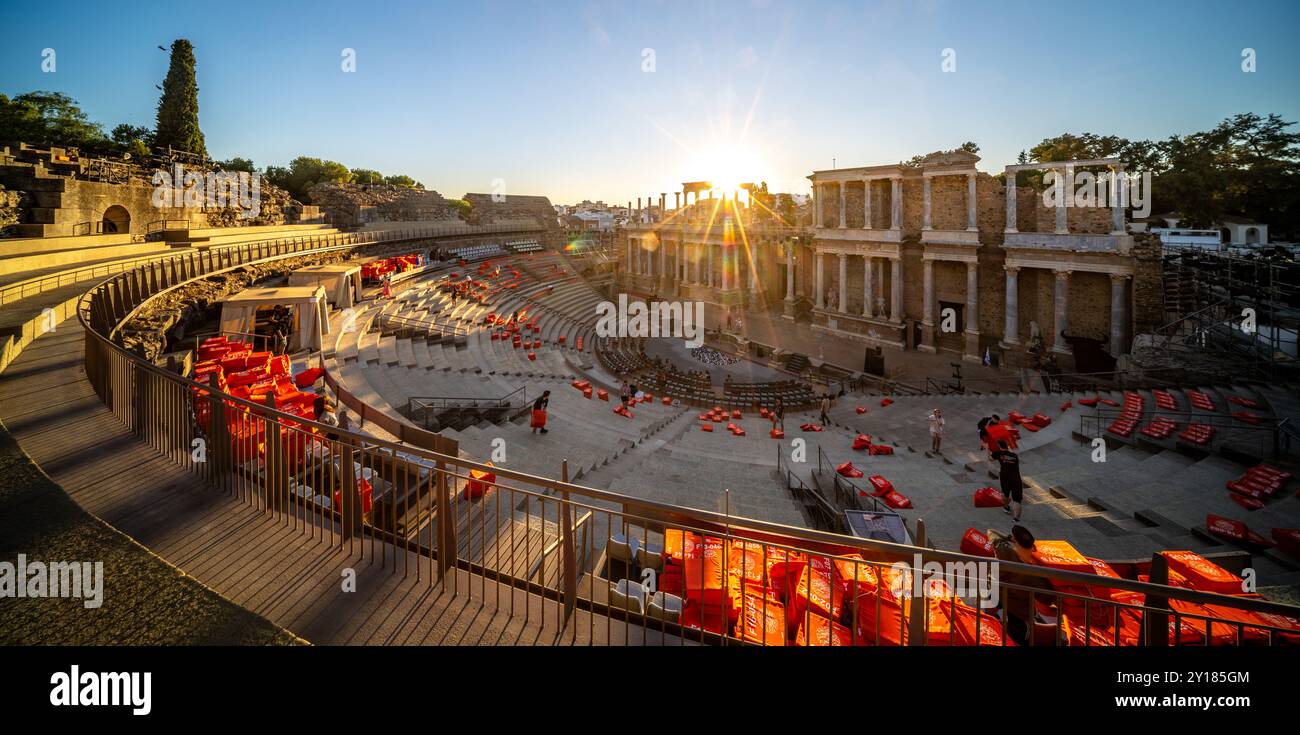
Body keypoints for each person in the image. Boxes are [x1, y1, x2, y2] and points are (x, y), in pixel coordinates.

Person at [989, 524, 1055, 646]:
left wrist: (1009, 538)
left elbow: (992, 532)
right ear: (1032, 547)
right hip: (1020, 619)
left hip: (1000, 601)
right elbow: (1048, 599)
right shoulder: (1031, 575)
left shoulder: (1003, 551)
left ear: (1014, 540)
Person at [992, 439, 1023, 521]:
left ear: (999, 447)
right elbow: (1011, 454)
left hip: (1005, 477)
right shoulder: (1015, 456)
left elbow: (990, 458)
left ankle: (1006, 507)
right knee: (1017, 500)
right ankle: (1016, 518)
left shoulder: (998, 454)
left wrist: (988, 449)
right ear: (1007, 446)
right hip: (1016, 478)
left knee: (1005, 494)